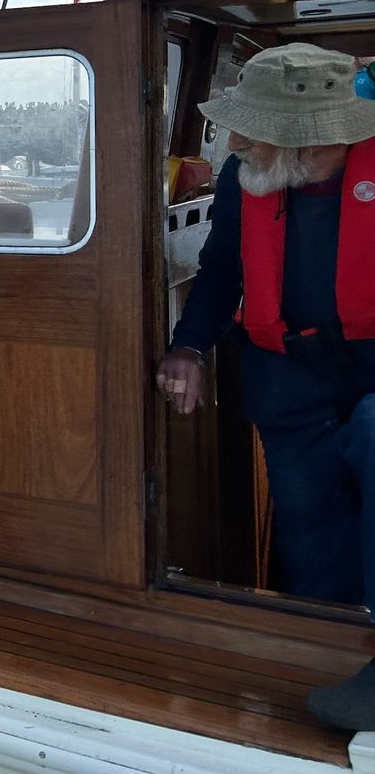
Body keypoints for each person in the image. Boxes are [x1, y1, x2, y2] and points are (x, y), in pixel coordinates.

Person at [159, 43, 375, 730]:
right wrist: (189, 346)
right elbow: (222, 269)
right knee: (310, 539)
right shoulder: (242, 173)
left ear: (311, 139)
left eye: (250, 127)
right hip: (288, 380)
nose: (235, 139)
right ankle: (327, 665)